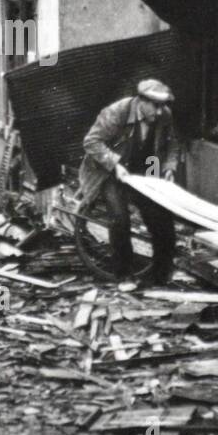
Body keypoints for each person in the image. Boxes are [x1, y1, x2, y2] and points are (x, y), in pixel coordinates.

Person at [78, 80, 181, 285]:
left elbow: (172, 144)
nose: (160, 112)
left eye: (163, 106)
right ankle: (123, 274)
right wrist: (115, 164)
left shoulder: (164, 115)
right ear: (141, 101)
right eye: (155, 106)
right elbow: (91, 141)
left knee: (161, 215)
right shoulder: (117, 112)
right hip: (111, 171)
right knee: (119, 218)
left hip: (145, 168)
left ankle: (160, 274)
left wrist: (169, 168)